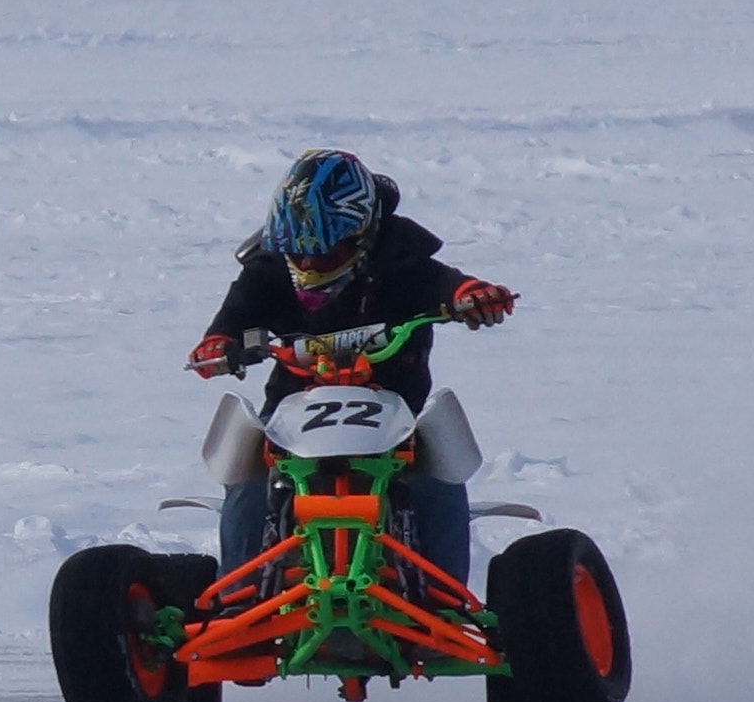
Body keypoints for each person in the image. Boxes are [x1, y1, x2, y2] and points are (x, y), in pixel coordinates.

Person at [187, 148, 514, 586]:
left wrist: (472, 296)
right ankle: (238, 596)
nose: (305, 266)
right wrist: (219, 343)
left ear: (361, 237)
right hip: (290, 416)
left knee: (439, 479)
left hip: (395, 416)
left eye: (321, 256)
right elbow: (235, 316)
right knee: (246, 480)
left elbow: (444, 284)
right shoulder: (268, 271)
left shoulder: (402, 261)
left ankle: (445, 597)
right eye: (295, 254)